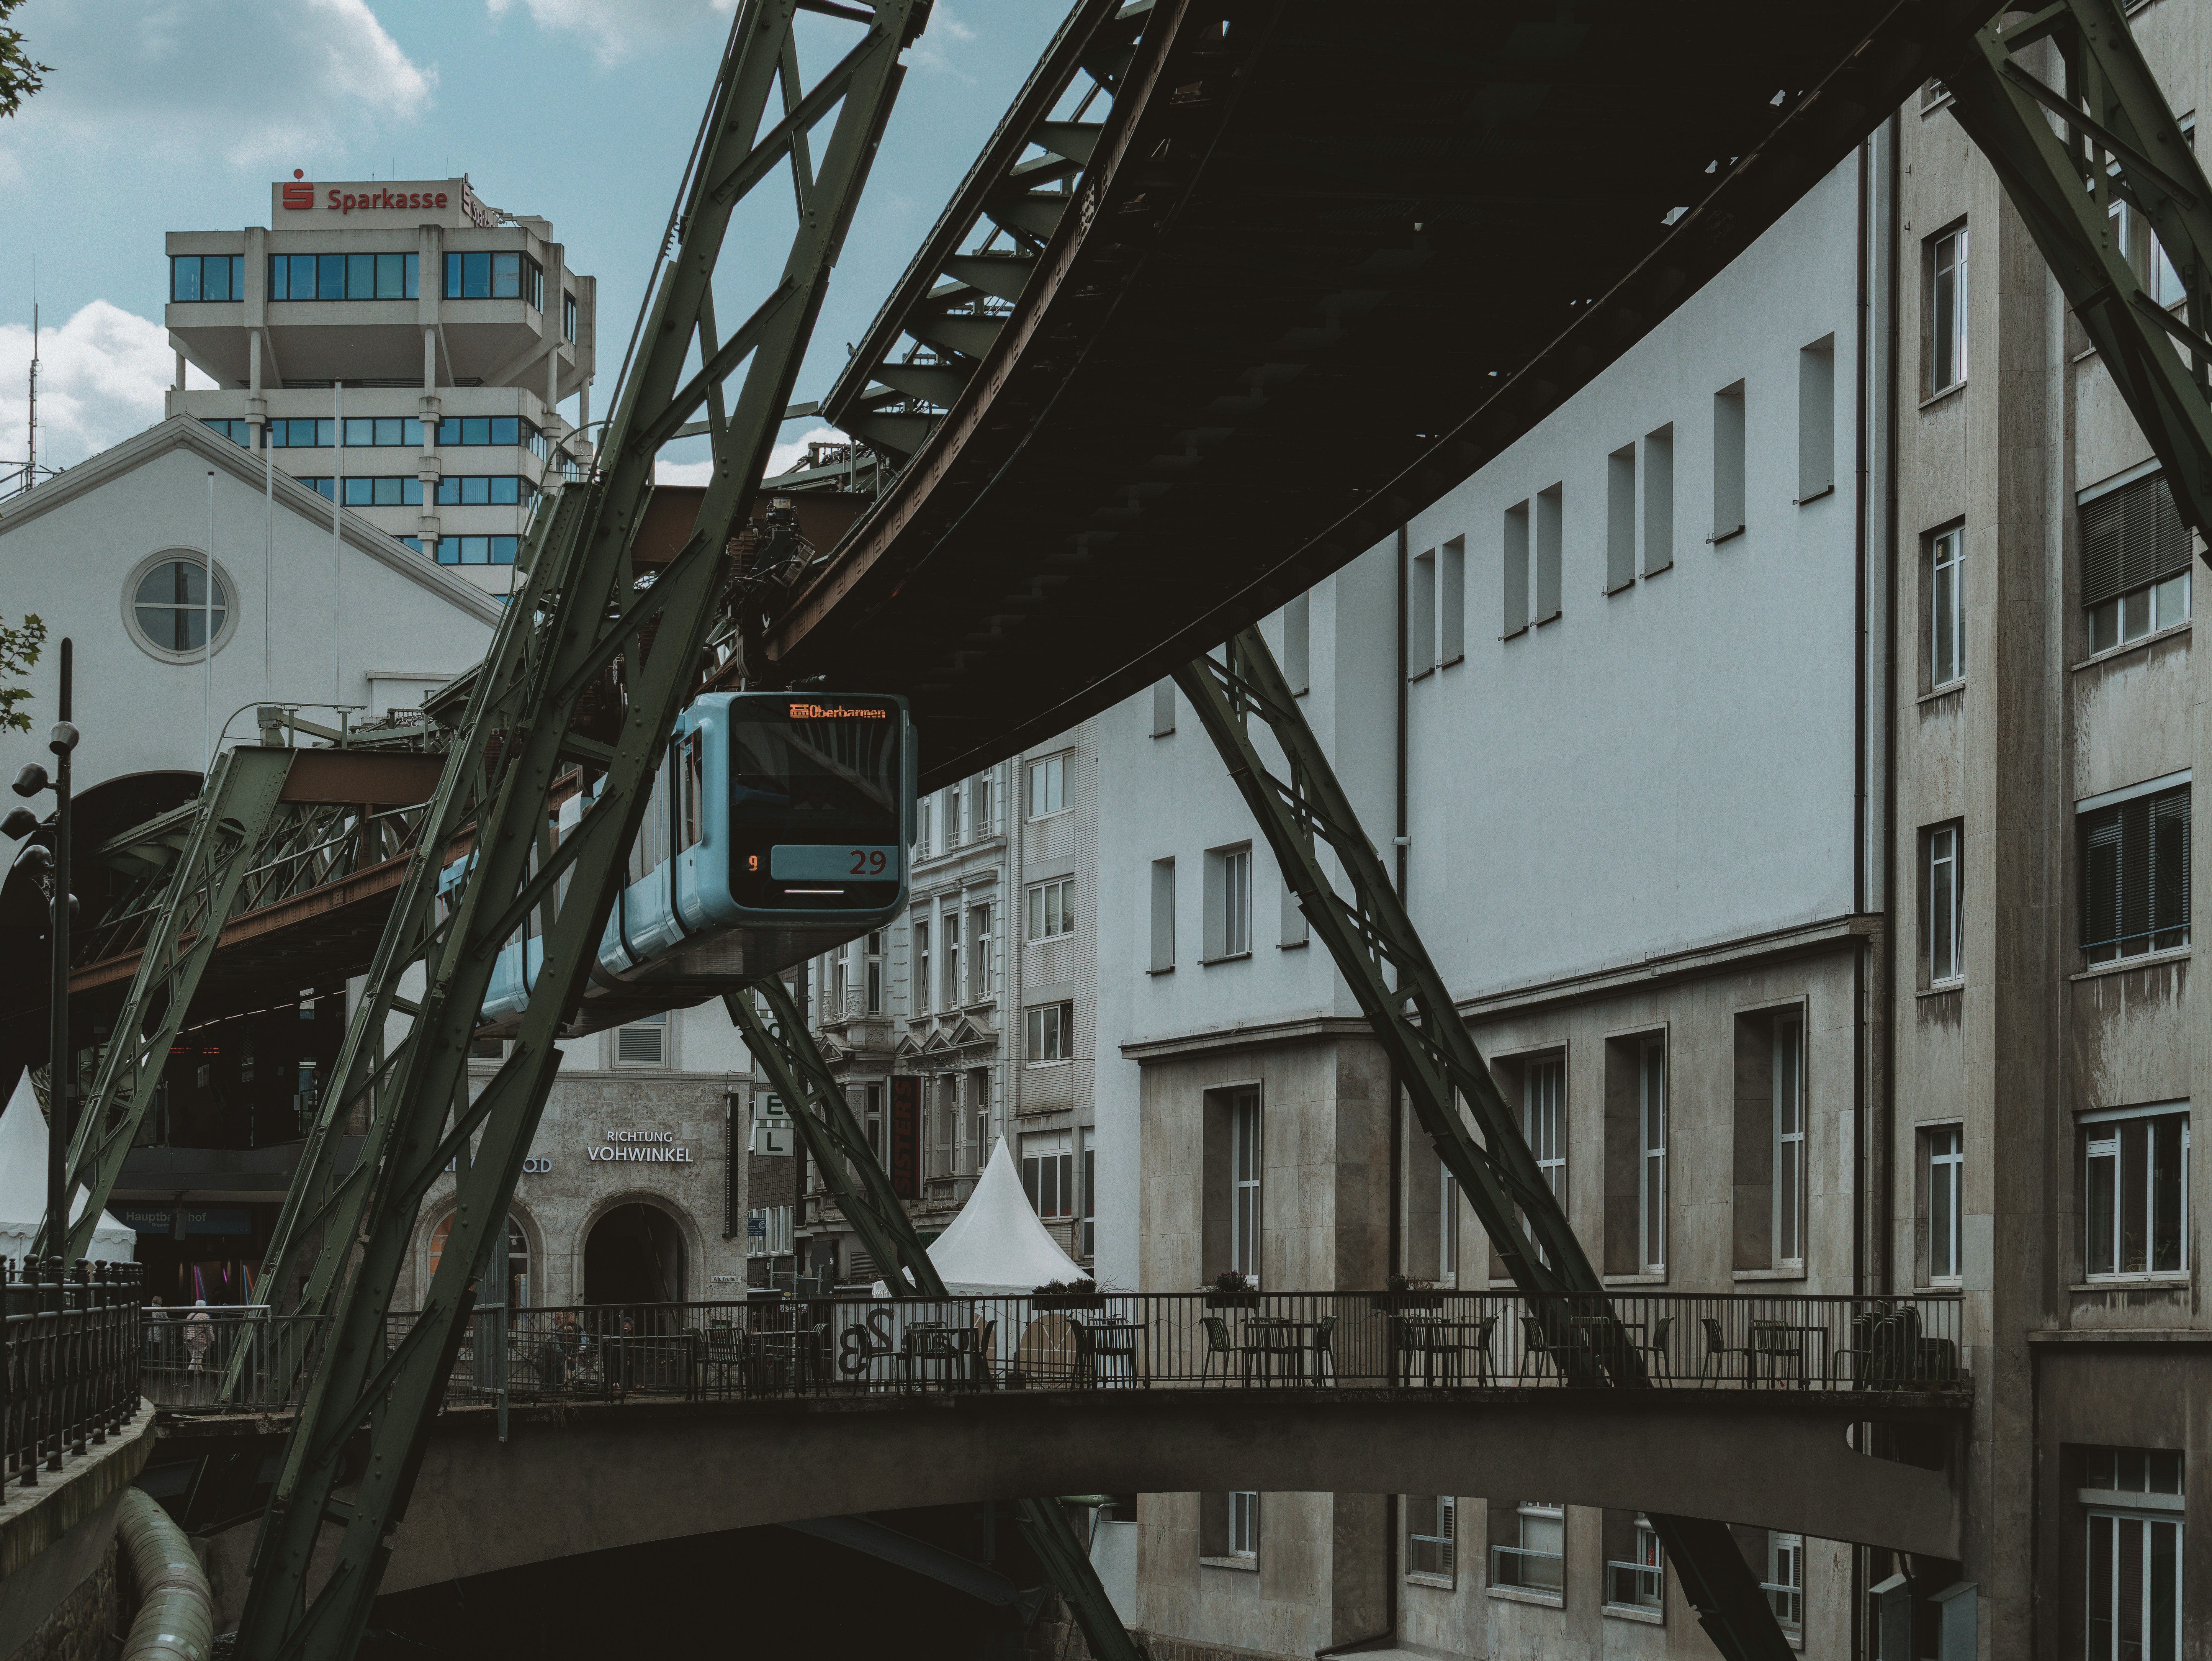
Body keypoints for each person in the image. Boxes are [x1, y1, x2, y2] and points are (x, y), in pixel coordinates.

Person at [182, 1300, 213, 1372]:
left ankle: (199, 1371)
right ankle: (190, 1372)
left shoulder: (191, 1315)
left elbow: (185, 1326)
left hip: (189, 1338)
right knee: (197, 1357)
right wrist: (213, 1340)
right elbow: (209, 1329)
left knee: (196, 1357)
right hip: (199, 1339)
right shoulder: (205, 1316)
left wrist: (185, 1337)